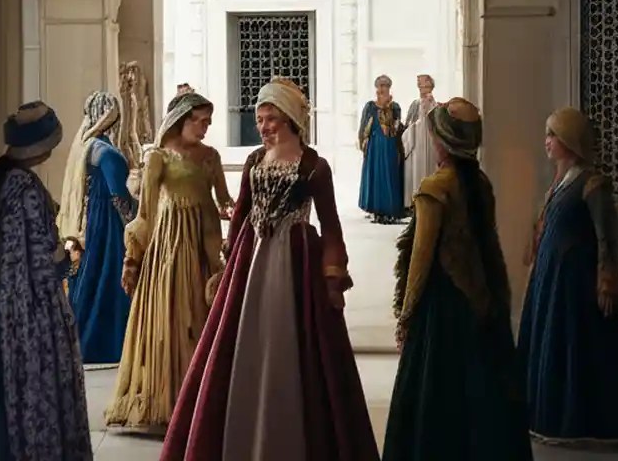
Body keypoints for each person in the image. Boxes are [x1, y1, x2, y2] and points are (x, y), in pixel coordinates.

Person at [160, 78, 378, 461]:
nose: (263, 126)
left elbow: (331, 225)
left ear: (291, 118)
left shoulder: (314, 166)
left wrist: (332, 275)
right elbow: (242, 210)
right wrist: (226, 260)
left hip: (296, 262)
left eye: (271, 118)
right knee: (237, 340)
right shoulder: (254, 161)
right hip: (251, 259)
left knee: (296, 346)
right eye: (260, 119)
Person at [383, 98, 532, 460]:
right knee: (481, 396)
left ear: (442, 142)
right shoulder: (479, 182)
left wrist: (405, 317)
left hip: (443, 309)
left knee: (435, 398)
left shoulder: (435, 188)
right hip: (480, 302)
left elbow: (419, 262)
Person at [0, 101, 92, 461]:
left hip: (3, 309)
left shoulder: (2, 180)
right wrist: (70, 255)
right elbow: (43, 262)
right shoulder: (28, 188)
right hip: (31, 314)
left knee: (2, 392)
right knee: (37, 390)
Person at [106, 91, 233, 434]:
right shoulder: (159, 158)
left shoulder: (210, 157)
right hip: (168, 250)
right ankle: (164, 401)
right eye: (200, 121)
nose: (205, 128)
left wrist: (235, 218)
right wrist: (133, 258)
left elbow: (223, 202)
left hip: (201, 247)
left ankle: (196, 401)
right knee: (167, 321)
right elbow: (145, 212)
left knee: (198, 318)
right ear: (182, 119)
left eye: (208, 121)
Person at [518, 106, 618, 444]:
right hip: (553, 279)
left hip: (576, 285)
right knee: (552, 345)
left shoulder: (592, 183)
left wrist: (607, 280)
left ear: (569, 140)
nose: (547, 142)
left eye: (553, 135)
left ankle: (580, 422)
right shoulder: (561, 181)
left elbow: (607, 236)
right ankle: (548, 416)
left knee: (575, 349)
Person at [58, 90, 134, 364]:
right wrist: (133, 224)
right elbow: (118, 195)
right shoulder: (107, 153)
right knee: (109, 279)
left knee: (91, 280)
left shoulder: (87, 146)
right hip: (108, 225)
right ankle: (106, 344)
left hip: (93, 220)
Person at [359, 74, 406, 224]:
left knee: (389, 174)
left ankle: (390, 208)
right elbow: (364, 126)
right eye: (380, 86)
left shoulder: (395, 106)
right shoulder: (370, 106)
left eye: (385, 86)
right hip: (375, 146)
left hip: (390, 145)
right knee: (376, 174)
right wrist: (364, 143)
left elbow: (396, 126)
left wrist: (387, 107)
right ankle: (376, 208)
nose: (382, 89)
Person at [400, 74, 440, 213]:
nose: (421, 87)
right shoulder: (415, 104)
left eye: (424, 84)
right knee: (415, 171)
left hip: (429, 143)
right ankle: (414, 203)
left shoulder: (434, 104)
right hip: (415, 144)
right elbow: (408, 123)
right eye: (420, 85)